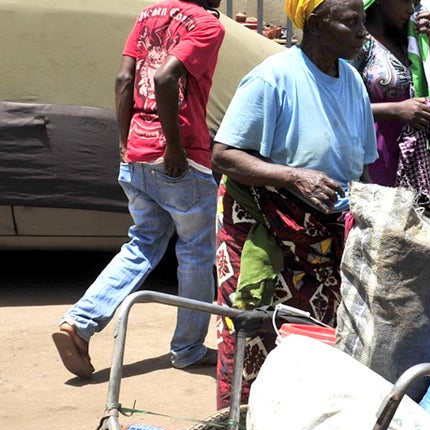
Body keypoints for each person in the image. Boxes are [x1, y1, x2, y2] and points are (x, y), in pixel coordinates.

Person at [210, 0, 378, 408]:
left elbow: (363, 168)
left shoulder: (353, 82)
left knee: (317, 340)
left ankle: (299, 424)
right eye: (352, 22)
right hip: (262, 223)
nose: (363, 32)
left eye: (363, 21)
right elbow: (223, 155)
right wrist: (292, 175)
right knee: (255, 330)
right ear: (318, 24)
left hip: (322, 234)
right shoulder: (272, 78)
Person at [52, 0, 225, 379]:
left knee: (142, 244)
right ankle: (188, 348)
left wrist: (122, 141)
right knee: (196, 252)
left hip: (136, 150)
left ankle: (78, 324)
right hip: (180, 157)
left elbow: (124, 78)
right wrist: (175, 147)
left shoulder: (148, 13)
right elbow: (165, 78)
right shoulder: (207, 25)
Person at [354, 0, 430, 195]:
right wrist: (397, 111)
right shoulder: (359, 43)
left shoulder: (407, 40)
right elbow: (338, 106)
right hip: (373, 157)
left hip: (411, 159)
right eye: (405, 1)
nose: (410, 9)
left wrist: (428, 42)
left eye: (414, 3)